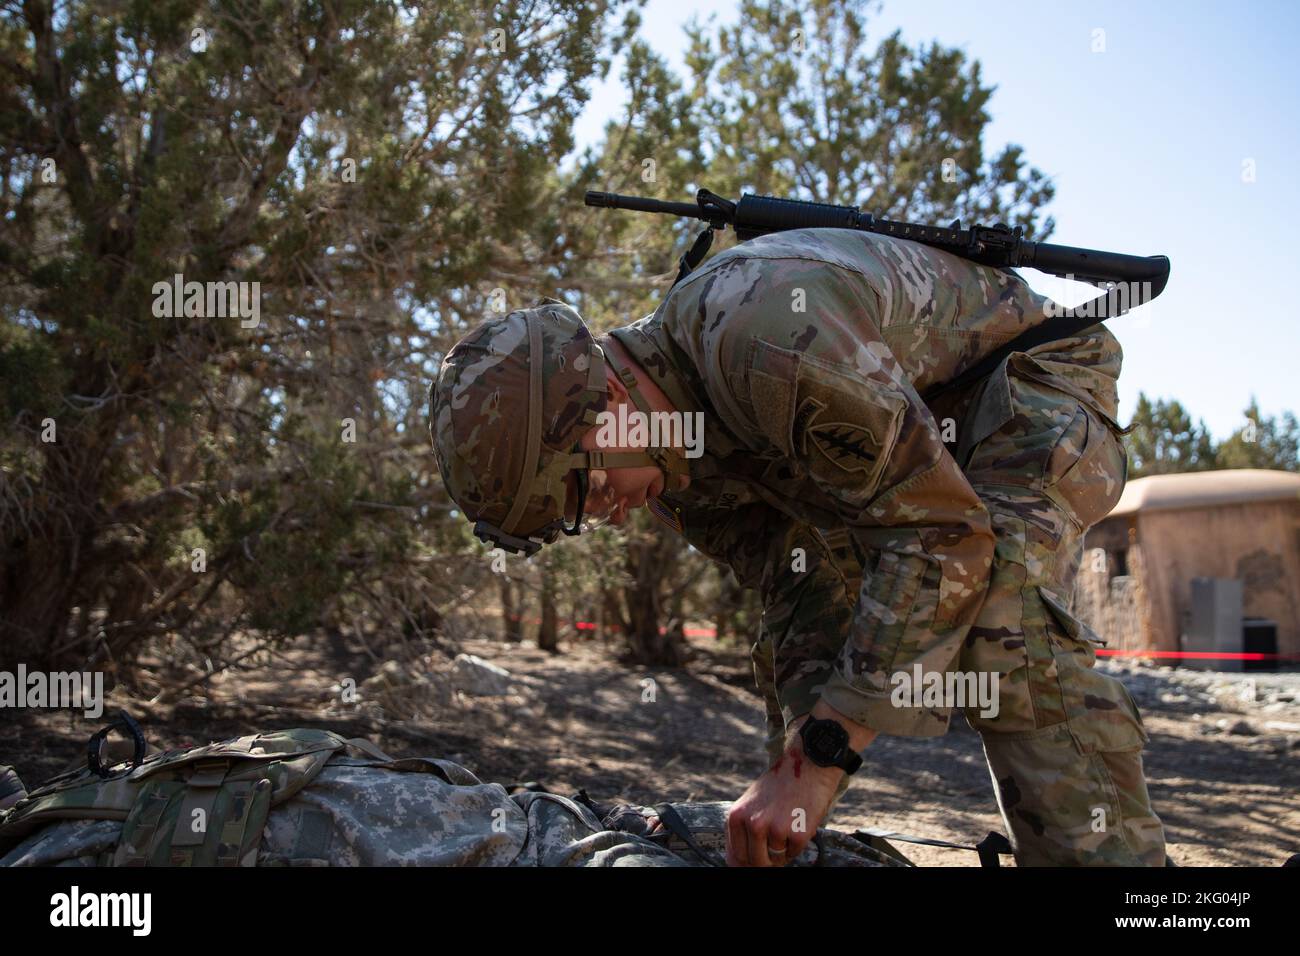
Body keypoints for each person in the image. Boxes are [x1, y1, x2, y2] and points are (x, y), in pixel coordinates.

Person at [429, 226, 1167, 867]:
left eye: (586, 488)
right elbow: (804, 586)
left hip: (1028, 381)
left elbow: (944, 537)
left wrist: (819, 765)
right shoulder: (672, 460)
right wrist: (797, 772)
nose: (609, 515)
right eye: (578, 516)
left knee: (1004, 609)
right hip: (912, 444)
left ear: (605, 399)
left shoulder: (764, 339)